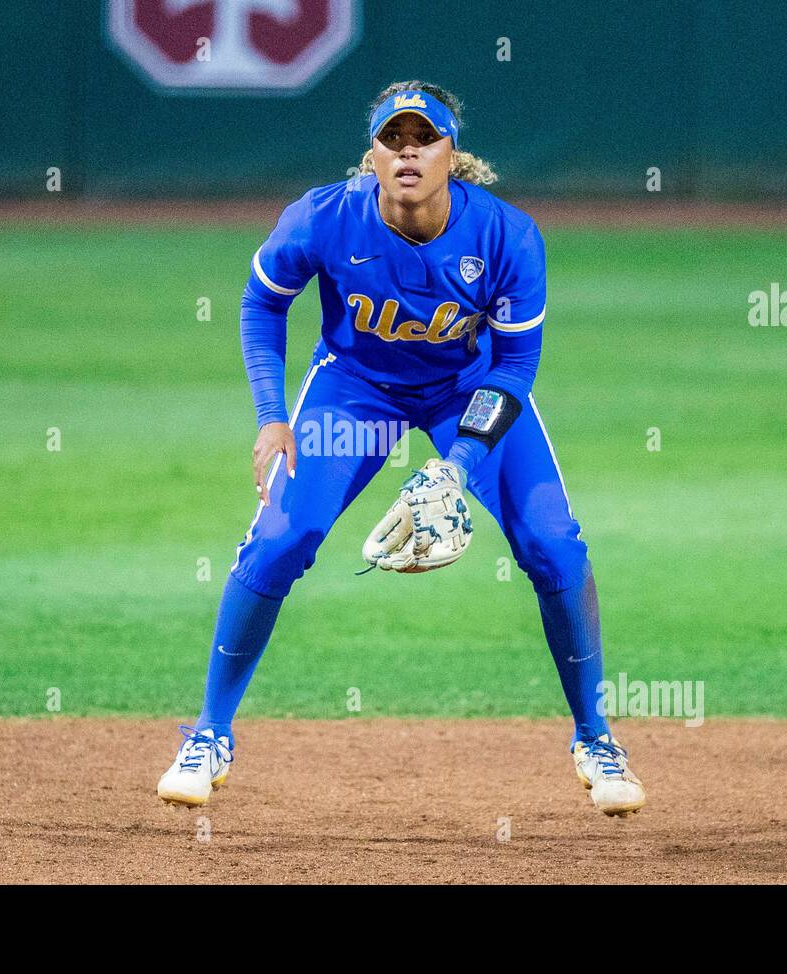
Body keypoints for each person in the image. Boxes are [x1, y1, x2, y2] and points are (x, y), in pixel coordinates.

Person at [156, 81, 646, 817]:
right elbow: (264, 301)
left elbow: (514, 367)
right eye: (394, 139)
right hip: (356, 390)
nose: (409, 150)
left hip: (467, 390)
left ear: (453, 153)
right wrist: (270, 415)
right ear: (373, 154)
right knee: (282, 540)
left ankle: (595, 737)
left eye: (425, 138)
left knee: (555, 546)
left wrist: (459, 466)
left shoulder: (506, 236)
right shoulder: (324, 217)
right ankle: (209, 735)